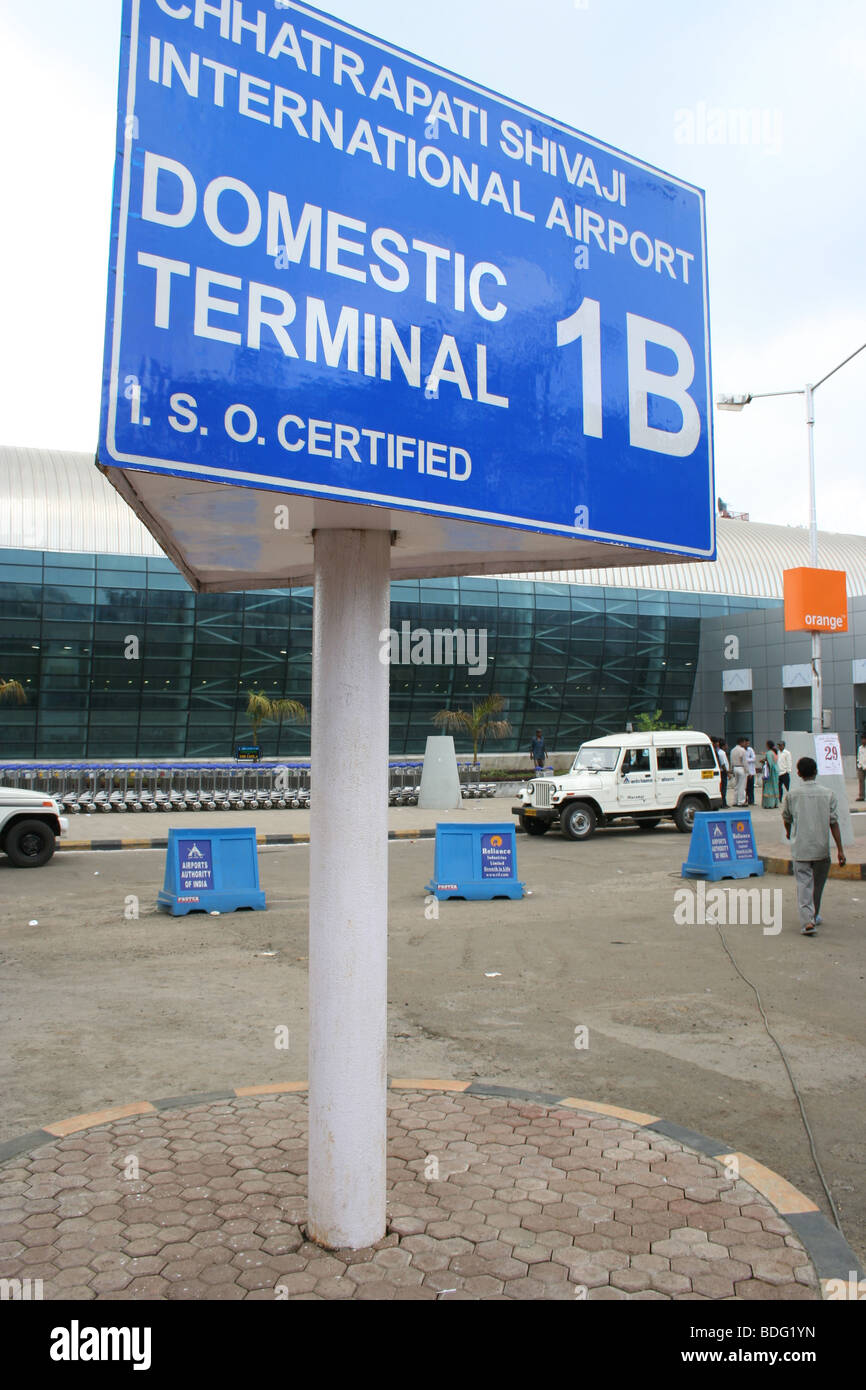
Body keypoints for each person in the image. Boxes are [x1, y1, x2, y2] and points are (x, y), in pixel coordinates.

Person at [781, 756, 846, 936]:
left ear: (799, 773)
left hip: (801, 848)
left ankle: (808, 921)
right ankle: (813, 915)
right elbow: (834, 823)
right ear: (816, 772)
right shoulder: (828, 794)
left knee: (804, 885)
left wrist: (788, 832)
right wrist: (840, 850)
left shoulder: (792, 795)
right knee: (817, 885)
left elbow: (786, 818)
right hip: (821, 849)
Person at [761, 740, 780, 809]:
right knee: (775, 787)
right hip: (775, 772)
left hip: (770, 772)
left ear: (768, 745)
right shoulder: (775, 752)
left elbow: (769, 763)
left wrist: (766, 774)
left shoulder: (769, 753)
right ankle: (775, 803)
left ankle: (769, 804)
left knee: (769, 787)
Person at [730, 737, 748, 807]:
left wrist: (731, 769)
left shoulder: (732, 750)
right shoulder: (742, 750)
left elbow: (731, 761)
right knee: (742, 786)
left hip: (735, 767)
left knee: (736, 785)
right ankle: (741, 801)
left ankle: (735, 801)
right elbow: (744, 761)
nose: (744, 744)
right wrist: (747, 770)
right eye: (743, 742)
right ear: (741, 742)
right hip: (741, 767)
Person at [714, 738, 729, 806]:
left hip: (722, 771)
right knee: (723, 788)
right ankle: (723, 803)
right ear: (723, 746)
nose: (727, 747)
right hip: (723, 772)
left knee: (722, 788)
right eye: (726, 745)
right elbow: (723, 764)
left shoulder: (718, 752)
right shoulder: (722, 753)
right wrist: (727, 772)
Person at [745, 740, 757, 805]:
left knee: (751, 787)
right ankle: (745, 800)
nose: (747, 744)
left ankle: (751, 801)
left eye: (748, 743)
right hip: (745, 772)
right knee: (745, 787)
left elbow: (754, 758)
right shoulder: (742, 750)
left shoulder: (750, 749)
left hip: (751, 771)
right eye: (746, 743)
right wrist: (749, 759)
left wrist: (747, 760)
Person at [857, 733, 866, 802]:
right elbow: (859, 757)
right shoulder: (860, 748)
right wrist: (859, 764)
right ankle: (861, 796)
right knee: (861, 781)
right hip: (861, 766)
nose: (863, 741)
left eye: (864, 739)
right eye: (862, 739)